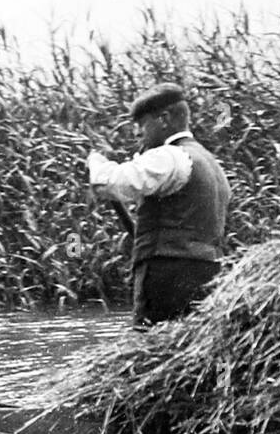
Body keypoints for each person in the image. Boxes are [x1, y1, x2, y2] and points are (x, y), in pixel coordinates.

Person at [87, 84, 231, 327]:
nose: (136, 134)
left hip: (166, 274)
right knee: (187, 344)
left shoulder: (170, 155)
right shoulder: (209, 161)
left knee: (150, 346)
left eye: (142, 125)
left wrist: (96, 162)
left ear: (164, 119)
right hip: (208, 273)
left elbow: (110, 183)